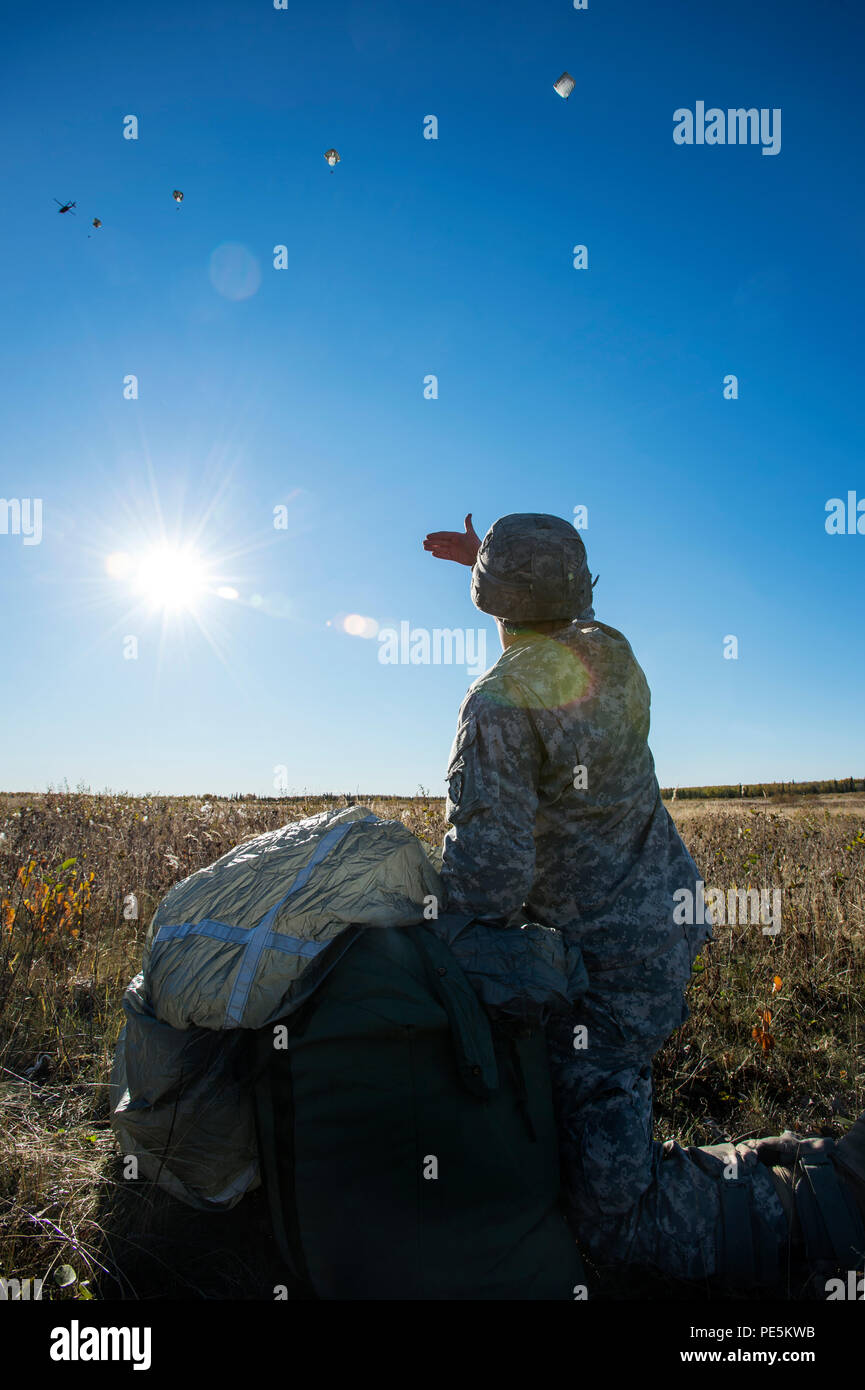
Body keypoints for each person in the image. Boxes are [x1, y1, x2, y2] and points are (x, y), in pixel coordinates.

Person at [423, 511, 865, 1292]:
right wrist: (499, 570)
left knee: (612, 1227)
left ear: (489, 601)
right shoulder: (611, 655)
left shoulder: (496, 704)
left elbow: (482, 890)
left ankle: (819, 1205)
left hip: (604, 984)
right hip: (664, 935)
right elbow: (562, 614)